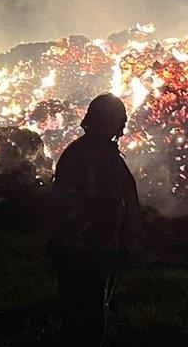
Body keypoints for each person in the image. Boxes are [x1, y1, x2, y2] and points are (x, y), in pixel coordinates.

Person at [47, 93, 143, 345]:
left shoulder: (108, 156)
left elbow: (125, 198)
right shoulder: (79, 156)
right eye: (114, 122)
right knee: (83, 316)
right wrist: (92, 232)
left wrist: (126, 236)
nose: (118, 128)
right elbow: (66, 204)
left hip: (101, 249)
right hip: (80, 250)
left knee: (94, 311)